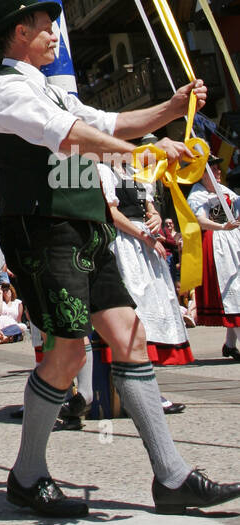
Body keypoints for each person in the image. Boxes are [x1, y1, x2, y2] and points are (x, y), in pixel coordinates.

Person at [0, 0, 240, 518]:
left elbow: (108, 123)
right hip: (42, 230)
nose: (55, 33)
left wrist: (171, 107)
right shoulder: (4, 92)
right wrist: (146, 152)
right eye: (45, 25)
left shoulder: (50, 91)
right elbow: (73, 139)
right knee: (70, 353)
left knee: (130, 337)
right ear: (18, 34)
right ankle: (27, 475)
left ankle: (171, 477)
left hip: (84, 226)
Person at [101, 163, 193, 412]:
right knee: (135, 316)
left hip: (147, 244)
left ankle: (146, 393)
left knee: (153, 315)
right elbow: (112, 214)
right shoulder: (103, 170)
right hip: (125, 246)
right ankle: (139, 395)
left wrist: (155, 217)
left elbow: (150, 208)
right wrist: (144, 236)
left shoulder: (134, 172)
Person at [188, 160, 240, 361]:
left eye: (219, 168)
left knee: (236, 290)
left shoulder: (224, 189)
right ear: (203, 174)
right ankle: (230, 344)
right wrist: (222, 227)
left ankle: (229, 345)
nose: (219, 172)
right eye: (214, 169)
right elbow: (200, 221)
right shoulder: (198, 194)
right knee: (232, 293)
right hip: (217, 243)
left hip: (233, 240)